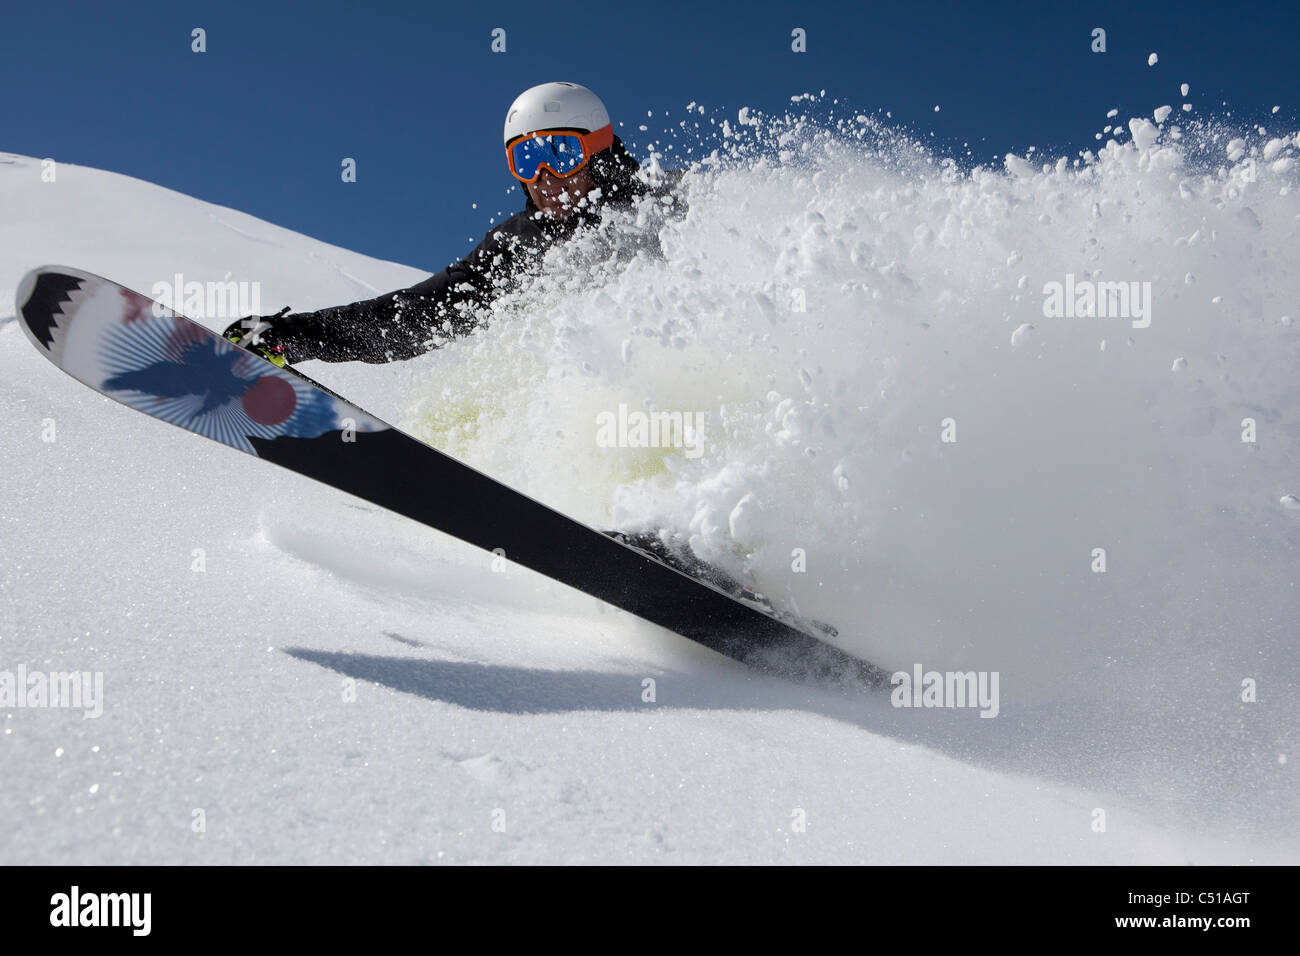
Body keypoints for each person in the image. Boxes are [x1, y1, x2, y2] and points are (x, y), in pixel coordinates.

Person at [224, 81, 674, 367]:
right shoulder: (519, 245)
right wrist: (299, 336)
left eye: (561, 155)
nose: (545, 177)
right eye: (527, 159)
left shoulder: (665, 205)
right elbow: (420, 313)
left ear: (598, 149)